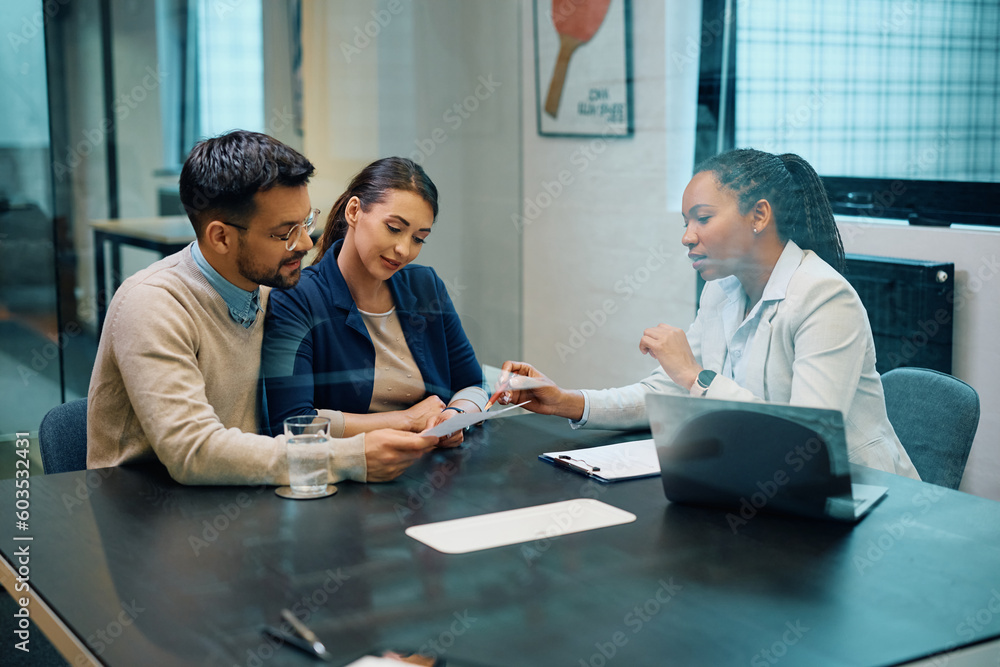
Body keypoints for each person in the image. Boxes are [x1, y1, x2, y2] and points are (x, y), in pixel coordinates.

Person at [499, 148, 919, 479]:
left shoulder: (824, 297)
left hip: (865, 495)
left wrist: (693, 376)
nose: (686, 237)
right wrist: (568, 402)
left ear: (759, 215)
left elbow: (805, 440)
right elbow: (665, 394)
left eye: (702, 218)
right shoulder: (722, 291)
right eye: (686, 221)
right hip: (770, 484)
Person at [87, 131, 437, 484]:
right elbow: (193, 452)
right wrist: (350, 455)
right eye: (284, 233)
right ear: (221, 237)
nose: (304, 243)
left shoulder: (273, 292)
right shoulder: (153, 304)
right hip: (145, 517)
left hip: (242, 501)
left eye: (305, 222)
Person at [260, 157, 486, 447]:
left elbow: (473, 385)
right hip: (350, 478)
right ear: (354, 211)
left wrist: (453, 417)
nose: (403, 250)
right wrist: (406, 421)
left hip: (434, 470)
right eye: (393, 228)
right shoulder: (297, 297)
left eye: (418, 238)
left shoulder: (425, 286)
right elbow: (293, 423)